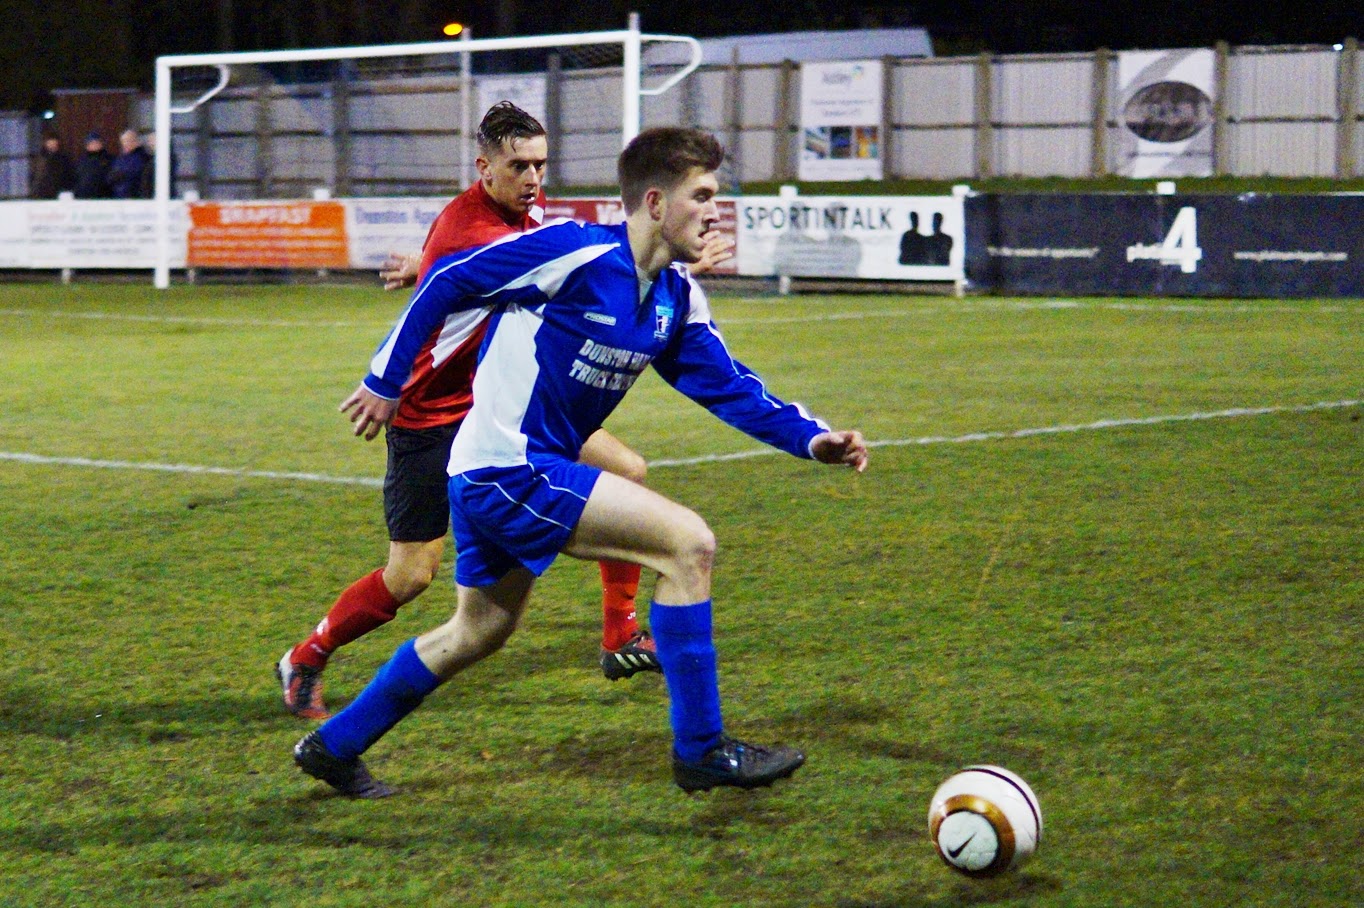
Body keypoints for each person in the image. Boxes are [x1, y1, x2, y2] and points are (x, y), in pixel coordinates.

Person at [292, 126, 868, 798]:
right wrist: (385, 380)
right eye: (703, 196)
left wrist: (812, 440)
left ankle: (334, 746)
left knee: (476, 632)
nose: (716, 212)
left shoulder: (677, 296)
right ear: (655, 202)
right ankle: (702, 750)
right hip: (507, 468)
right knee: (688, 546)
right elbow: (447, 279)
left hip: (500, 469)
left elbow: (728, 385)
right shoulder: (577, 252)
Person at [276, 102, 732, 720]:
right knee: (411, 576)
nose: (533, 179)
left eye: (541, 165)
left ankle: (620, 633)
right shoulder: (468, 228)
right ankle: (307, 655)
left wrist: (421, 264)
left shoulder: (523, 213)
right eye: (519, 166)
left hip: (505, 407)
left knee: (626, 468)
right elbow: (498, 269)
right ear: (484, 168)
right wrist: (430, 270)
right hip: (432, 413)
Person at [107, 129, 150, 199]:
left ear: (137, 142)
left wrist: (122, 174)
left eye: (128, 140)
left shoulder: (142, 157)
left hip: (134, 198)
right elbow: (111, 176)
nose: (125, 144)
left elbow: (138, 175)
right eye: (123, 141)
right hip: (118, 198)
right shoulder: (120, 158)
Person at [31, 134, 74, 199]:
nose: (52, 144)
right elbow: (35, 176)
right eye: (50, 142)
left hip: (60, 193)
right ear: (45, 143)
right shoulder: (40, 159)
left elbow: (69, 176)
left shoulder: (64, 159)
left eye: (54, 142)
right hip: (42, 194)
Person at [72, 132, 112, 199]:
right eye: (91, 143)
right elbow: (76, 178)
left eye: (96, 142)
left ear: (101, 144)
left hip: (103, 198)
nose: (94, 145)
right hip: (83, 198)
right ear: (87, 146)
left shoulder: (108, 159)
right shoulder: (81, 161)